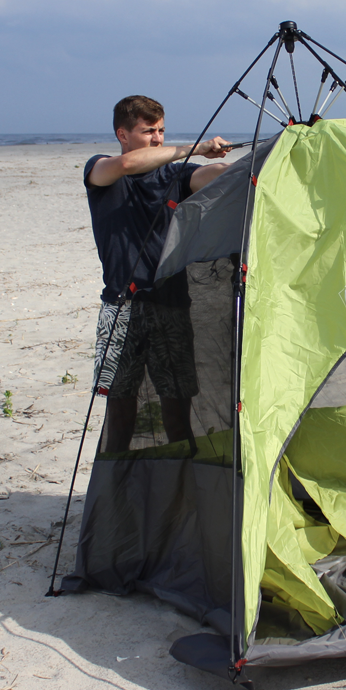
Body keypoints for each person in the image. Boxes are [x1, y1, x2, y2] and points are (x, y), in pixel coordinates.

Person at [84, 95, 230, 453]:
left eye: (162, 130)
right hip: (120, 309)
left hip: (171, 305)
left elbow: (213, 176)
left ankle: (183, 479)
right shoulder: (101, 169)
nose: (158, 138)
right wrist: (195, 147)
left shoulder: (174, 174)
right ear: (123, 134)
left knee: (178, 415)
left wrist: (227, 164)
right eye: (149, 131)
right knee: (120, 415)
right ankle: (117, 482)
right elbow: (127, 164)